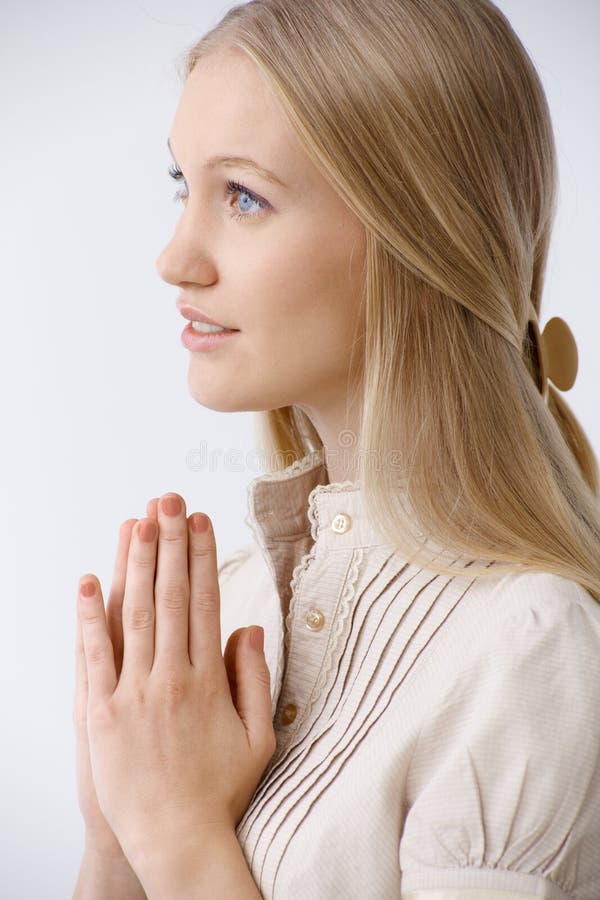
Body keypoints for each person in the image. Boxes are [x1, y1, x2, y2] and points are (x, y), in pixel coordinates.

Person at [72, 1, 600, 898]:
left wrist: (176, 836)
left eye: (243, 196)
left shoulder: (529, 650)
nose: (175, 257)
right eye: (182, 184)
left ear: (425, 242)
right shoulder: (231, 602)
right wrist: (114, 834)